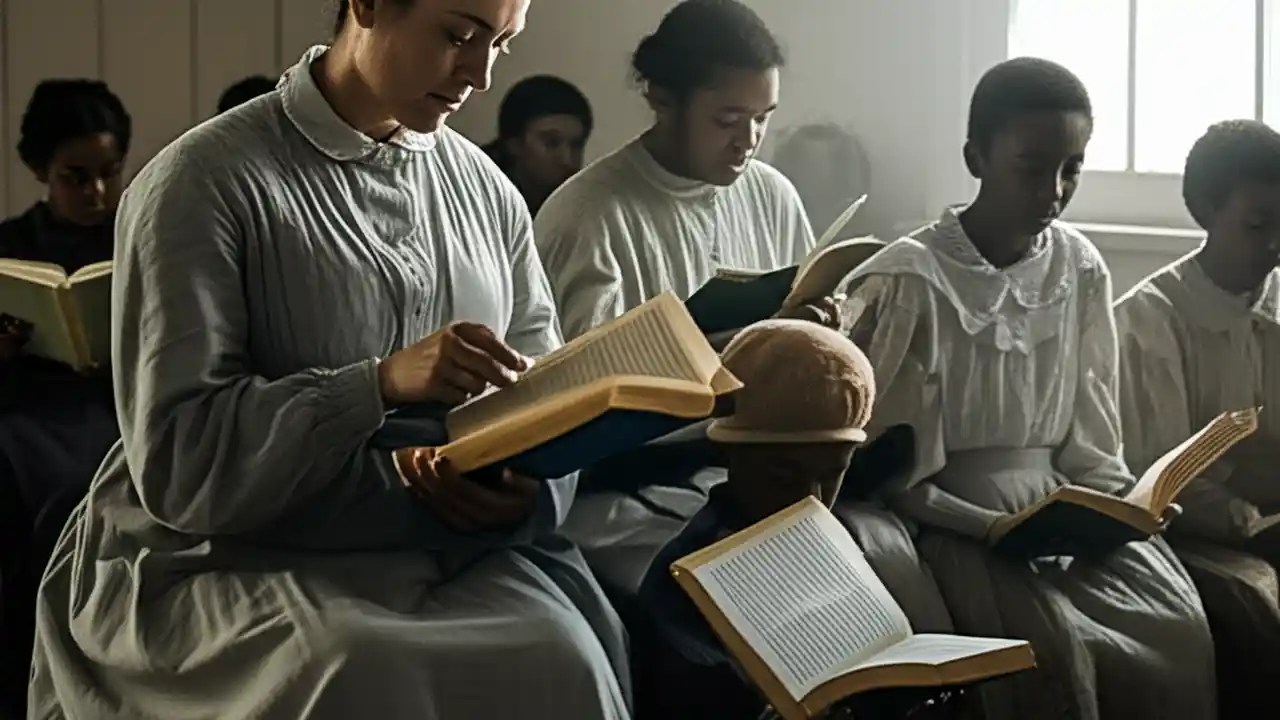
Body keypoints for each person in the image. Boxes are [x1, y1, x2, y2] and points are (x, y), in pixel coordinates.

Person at [26, 1, 631, 718]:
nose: (481, 73)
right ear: (367, 4)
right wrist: (373, 385)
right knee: (355, 666)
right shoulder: (201, 181)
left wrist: (529, 491)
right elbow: (180, 459)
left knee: (564, 655)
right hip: (235, 544)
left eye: (501, 43)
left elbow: (545, 382)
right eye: (459, 36)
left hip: (446, 538)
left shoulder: (488, 194)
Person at [840, 57, 1216, 719]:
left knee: (1175, 626)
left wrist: (1119, 511)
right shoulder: (910, 280)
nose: (1054, 190)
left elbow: (1094, 439)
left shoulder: (1080, 268)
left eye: (1071, 167)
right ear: (976, 156)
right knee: (1053, 651)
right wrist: (991, 527)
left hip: (1058, 512)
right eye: (1032, 165)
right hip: (953, 521)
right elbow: (887, 470)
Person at [534, 0, 825, 341]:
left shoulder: (774, 196)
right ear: (663, 101)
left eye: (761, 118)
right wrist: (747, 342)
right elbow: (583, 376)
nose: (748, 141)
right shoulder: (585, 218)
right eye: (727, 121)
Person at [1116, 118, 1280, 716]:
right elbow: (1166, 474)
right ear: (1208, 212)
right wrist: (1245, 504)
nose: (1274, 245)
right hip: (1188, 533)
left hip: (1261, 511)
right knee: (1256, 611)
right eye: (1258, 225)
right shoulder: (1149, 320)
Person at [639, 318, 877, 718]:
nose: (811, 501)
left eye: (833, 475)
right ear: (729, 457)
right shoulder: (688, 578)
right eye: (783, 478)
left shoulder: (837, 547)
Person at [0, 78, 129, 719]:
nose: (96, 193)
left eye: (109, 173)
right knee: (39, 481)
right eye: (76, 177)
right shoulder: (11, 247)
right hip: (30, 407)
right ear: (39, 171)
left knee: (101, 479)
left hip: (121, 403)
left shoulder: (143, 235)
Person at [482, 74, 592, 215]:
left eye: (576, 145)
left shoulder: (575, 202)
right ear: (513, 144)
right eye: (551, 143)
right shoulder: (478, 193)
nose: (567, 160)